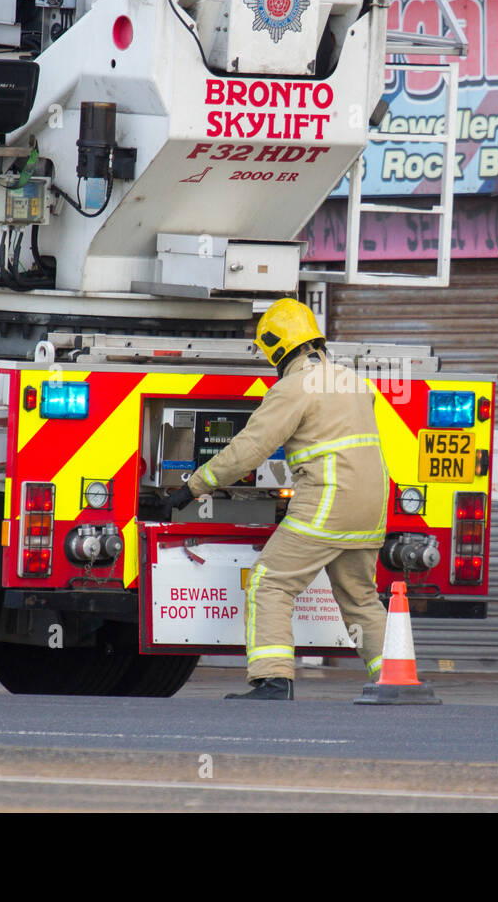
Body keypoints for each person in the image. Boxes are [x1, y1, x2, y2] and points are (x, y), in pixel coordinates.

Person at [161, 298, 389, 700]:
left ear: (277, 347)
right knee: (361, 598)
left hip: (327, 504)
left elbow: (249, 450)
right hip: (370, 508)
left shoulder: (293, 387)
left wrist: (191, 488)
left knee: (269, 582)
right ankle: (395, 677)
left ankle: (273, 680)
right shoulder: (352, 381)